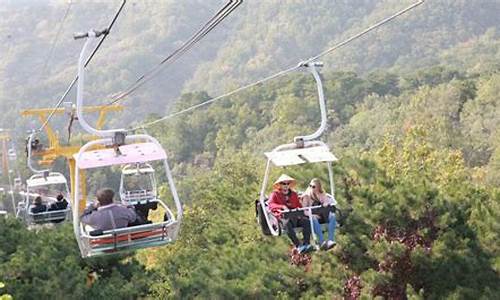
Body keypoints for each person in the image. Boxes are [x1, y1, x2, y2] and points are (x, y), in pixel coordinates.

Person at [268, 174, 313, 254]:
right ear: (280, 185)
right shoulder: (275, 194)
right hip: (283, 217)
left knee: (306, 222)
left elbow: (298, 205)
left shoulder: (293, 194)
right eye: (284, 184)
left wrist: (300, 212)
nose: (286, 186)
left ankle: (306, 243)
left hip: (294, 216)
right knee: (287, 224)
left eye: (287, 183)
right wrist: (282, 206)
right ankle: (298, 245)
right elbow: (271, 205)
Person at [301, 178, 337, 250]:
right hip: (312, 215)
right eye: (310, 186)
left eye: (313, 186)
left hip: (322, 215)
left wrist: (325, 202)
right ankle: (321, 241)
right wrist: (311, 215)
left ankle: (330, 240)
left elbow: (326, 202)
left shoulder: (322, 194)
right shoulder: (306, 196)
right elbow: (304, 211)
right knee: (313, 218)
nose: (311, 188)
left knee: (332, 216)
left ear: (318, 187)